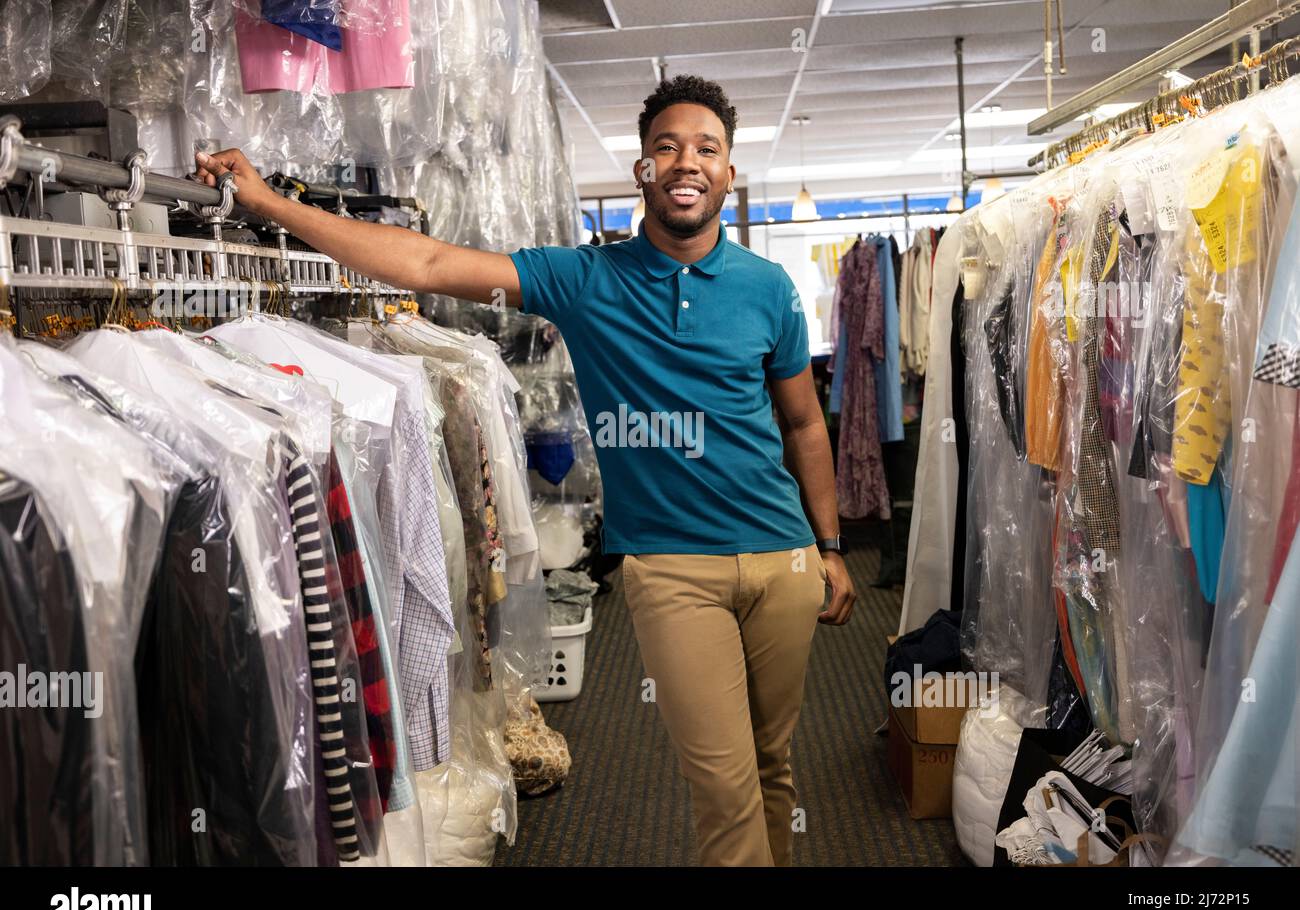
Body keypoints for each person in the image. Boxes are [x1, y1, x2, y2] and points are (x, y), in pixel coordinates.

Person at [194, 74, 858, 867]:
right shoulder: (587, 278)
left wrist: (829, 544)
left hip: (783, 561)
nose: (688, 161)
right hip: (675, 570)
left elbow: (804, 422)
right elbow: (431, 263)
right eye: (667, 147)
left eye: (707, 149)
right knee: (723, 784)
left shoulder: (769, 288)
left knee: (771, 765)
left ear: (728, 172)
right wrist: (271, 205)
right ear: (644, 168)